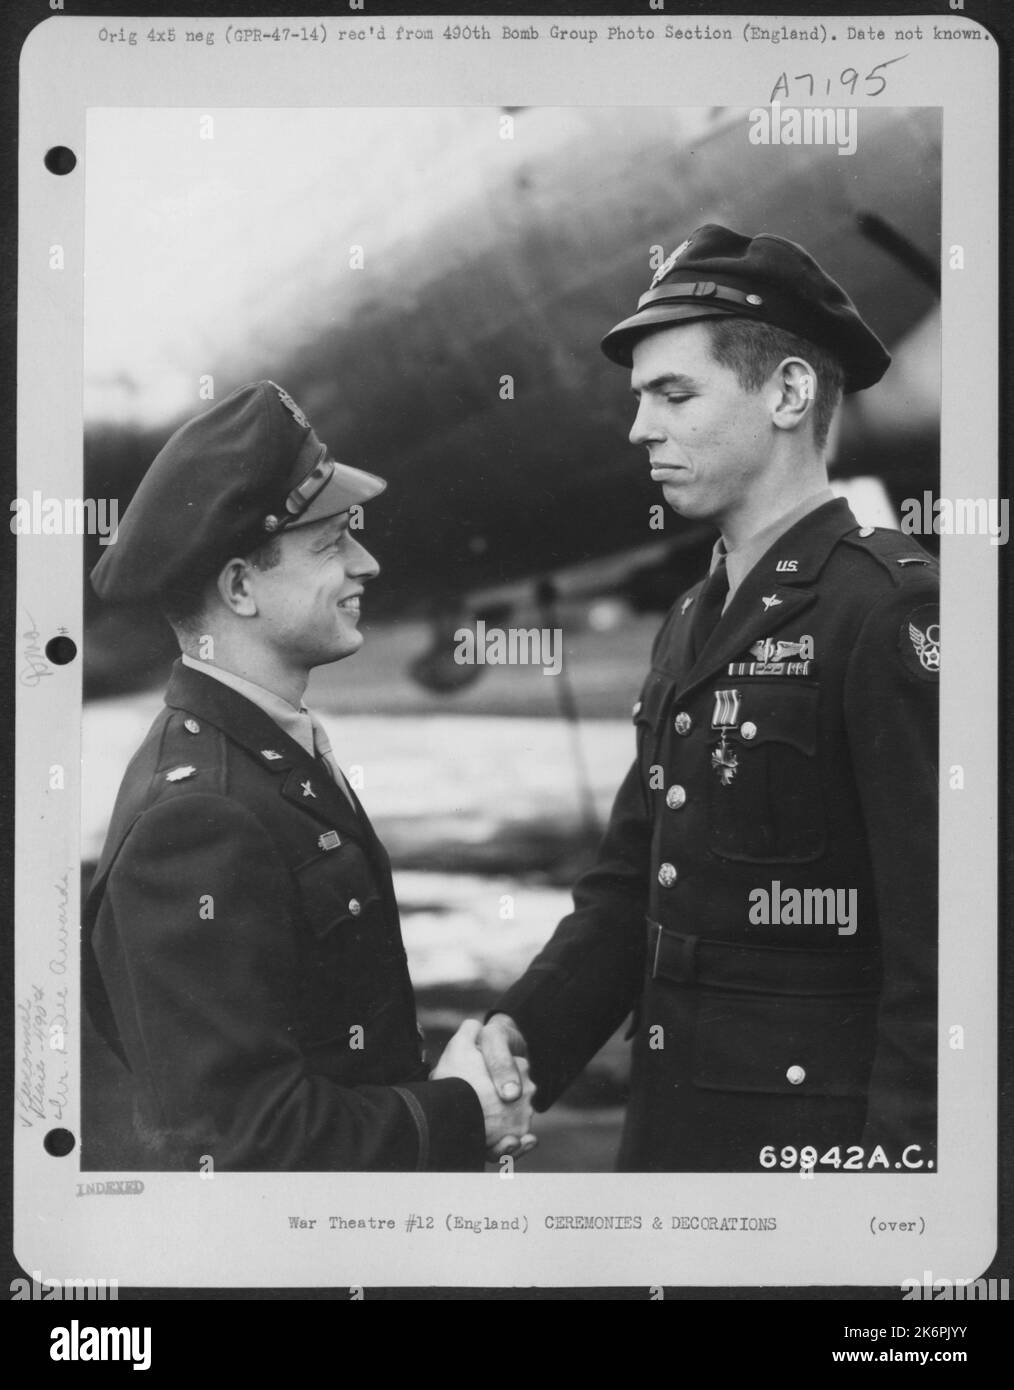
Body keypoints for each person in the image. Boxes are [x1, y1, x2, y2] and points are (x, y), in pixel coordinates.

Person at [478, 224, 939, 1172]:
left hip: (815, 1173)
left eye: (673, 394)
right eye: (640, 398)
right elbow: (632, 882)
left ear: (787, 393)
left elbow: (946, 949)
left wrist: (897, 1193)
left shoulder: (888, 610)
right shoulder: (696, 613)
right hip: (675, 1146)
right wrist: (520, 1036)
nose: (640, 427)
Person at [84, 380, 535, 1171]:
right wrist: (459, 1114)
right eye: (331, 546)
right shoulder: (198, 819)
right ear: (237, 588)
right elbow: (242, 1145)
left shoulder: (273, 753)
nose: (368, 563)